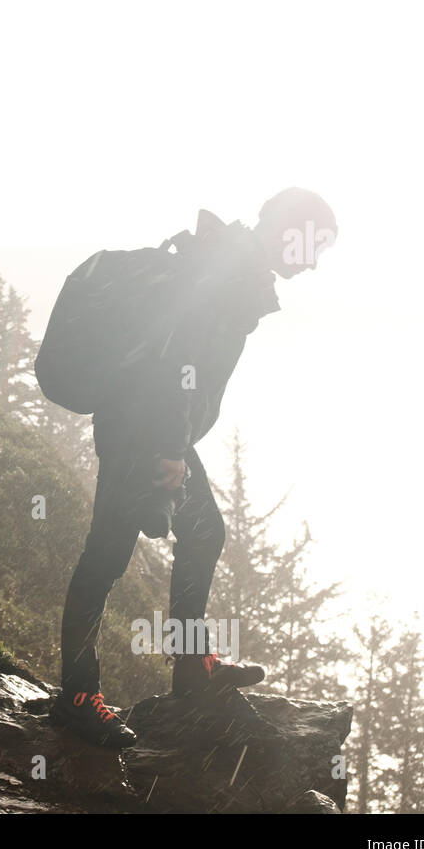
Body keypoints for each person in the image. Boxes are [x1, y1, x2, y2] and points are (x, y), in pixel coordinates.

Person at [51, 188, 337, 748]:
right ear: (287, 231)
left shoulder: (233, 266)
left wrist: (173, 443)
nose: (314, 259)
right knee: (105, 558)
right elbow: (177, 366)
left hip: (151, 427)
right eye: (314, 244)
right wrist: (169, 452)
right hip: (143, 429)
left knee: (202, 533)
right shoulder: (227, 275)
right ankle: (78, 698)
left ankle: (190, 665)